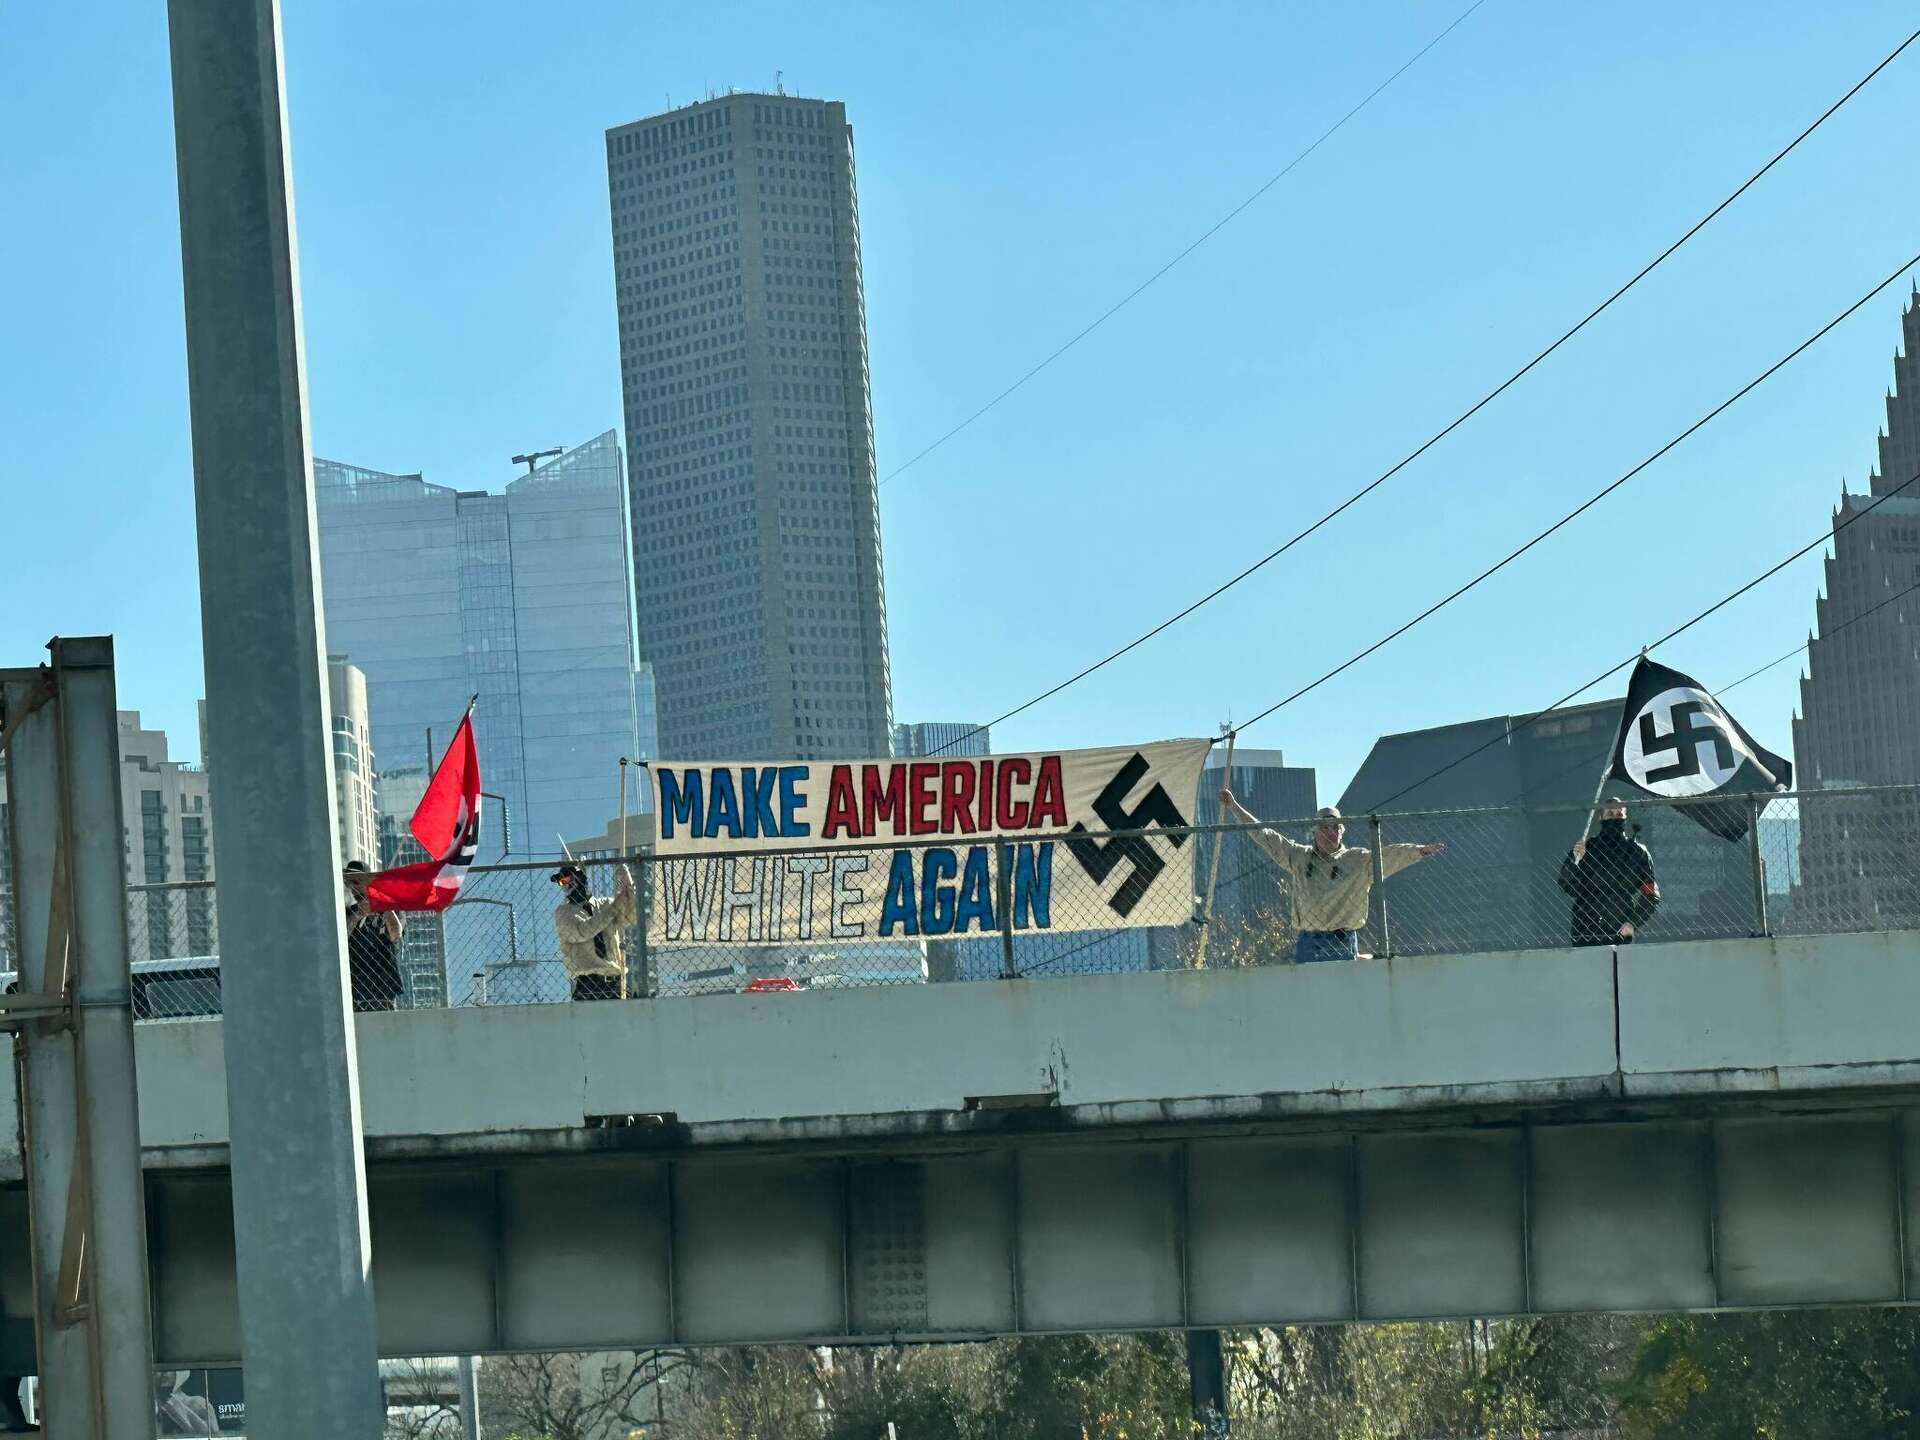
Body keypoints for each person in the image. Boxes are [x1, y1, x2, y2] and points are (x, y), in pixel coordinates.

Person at [1219, 792, 1444, 963]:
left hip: (1342, 939)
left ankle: (1367, 959)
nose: (1330, 832)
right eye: (1324, 827)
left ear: (1342, 831)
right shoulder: (1299, 856)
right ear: (1314, 831)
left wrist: (1419, 851)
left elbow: (1388, 855)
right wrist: (1234, 807)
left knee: (1341, 995)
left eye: (1335, 827)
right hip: (1308, 939)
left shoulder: (1356, 860)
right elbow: (1264, 835)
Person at [1558, 795, 1660, 947]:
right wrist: (1574, 861)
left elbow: (1651, 893)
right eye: (1610, 814)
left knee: (1620, 968)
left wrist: (1632, 923)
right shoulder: (1586, 848)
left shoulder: (1637, 852)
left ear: (1625, 817)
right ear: (1601, 817)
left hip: (1620, 924)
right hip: (1585, 924)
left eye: (1619, 814)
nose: (1615, 817)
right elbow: (1567, 885)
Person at [551, 861, 636, 1001]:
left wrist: (628, 886)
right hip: (588, 984)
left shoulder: (605, 904)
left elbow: (630, 916)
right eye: (561, 883)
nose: (564, 885)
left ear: (580, 878)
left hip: (615, 980)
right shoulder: (564, 912)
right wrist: (615, 906)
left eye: (566, 879)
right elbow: (582, 932)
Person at [343, 860, 405, 1011]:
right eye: (349, 883)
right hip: (356, 988)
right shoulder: (349, 912)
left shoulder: (391, 908)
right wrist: (358, 914)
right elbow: (341, 938)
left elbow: (396, 934)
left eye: (356, 881)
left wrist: (381, 905)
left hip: (384, 988)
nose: (353, 888)